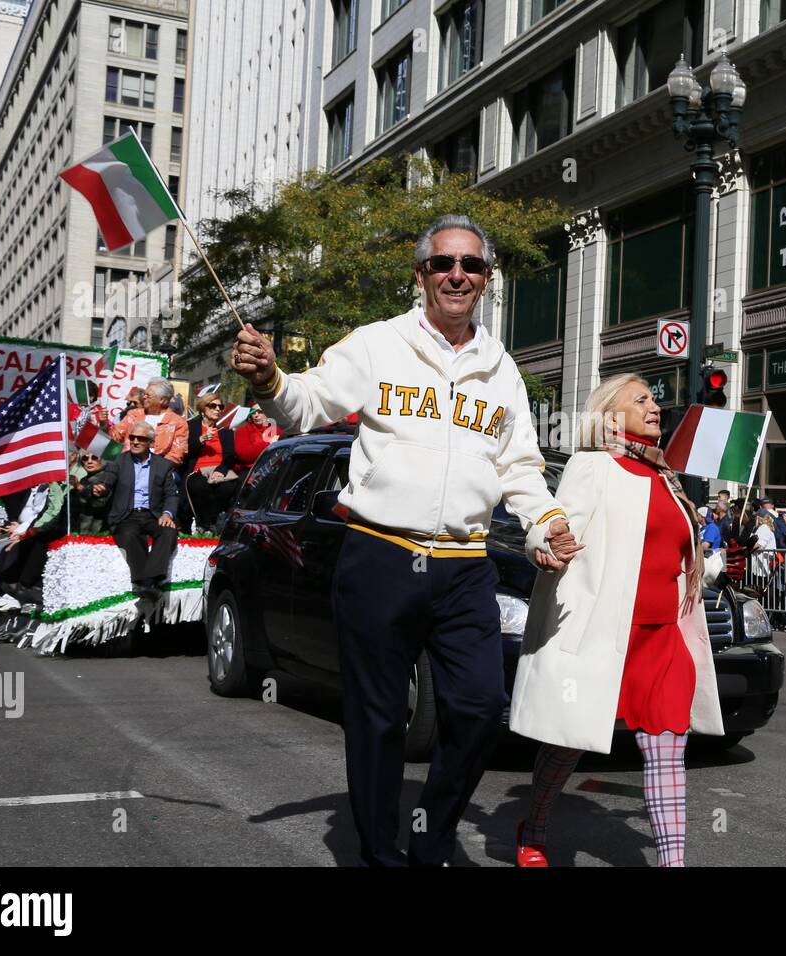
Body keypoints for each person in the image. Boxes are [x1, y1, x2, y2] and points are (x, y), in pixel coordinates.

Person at [230, 213, 579, 867]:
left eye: (470, 266)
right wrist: (268, 378)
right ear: (420, 274)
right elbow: (306, 404)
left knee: (480, 708)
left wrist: (545, 524)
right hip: (380, 556)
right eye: (444, 263)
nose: (457, 274)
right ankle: (378, 857)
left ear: (485, 280)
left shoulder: (501, 370)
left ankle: (433, 833)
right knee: (379, 718)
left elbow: (522, 470)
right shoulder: (378, 345)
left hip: (463, 563)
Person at [509, 374, 724, 868]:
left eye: (654, 399)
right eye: (641, 399)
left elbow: (675, 558)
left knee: (668, 748)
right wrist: (544, 547)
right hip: (607, 633)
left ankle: (672, 863)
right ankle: (535, 825)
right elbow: (557, 525)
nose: (655, 406)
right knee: (568, 745)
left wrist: (710, 566)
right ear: (610, 414)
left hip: (663, 638)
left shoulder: (667, 478)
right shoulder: (593, 466)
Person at [100, 421, 180, 601]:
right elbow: (108, 480)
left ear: (151, 443)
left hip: (153, 515)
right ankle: (148, 583)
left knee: (168, 531)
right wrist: (102, 488)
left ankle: (147, 581)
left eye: (141, 439)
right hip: (127, 515)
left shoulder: (163, 465)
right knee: (128, 535)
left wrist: (167, 514)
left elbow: (171, 495)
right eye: (132, 437)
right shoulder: (119, 460)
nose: (135, 442)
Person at [0, 482, 68, 609]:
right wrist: (10, 523)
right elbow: (19, 510)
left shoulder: (56, 488)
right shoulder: (32, 487)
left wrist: (24, 530)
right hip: (19, 528)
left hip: (32, 530)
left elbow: (48, 516)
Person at [182, 393, 241, 532]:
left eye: (220, 406)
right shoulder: (190, 426)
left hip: (220, 469)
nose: (217, 409)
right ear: (203, 408)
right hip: (197, 470)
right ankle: (206, 524)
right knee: (200, 486)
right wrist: (200, 440)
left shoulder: (225, 429)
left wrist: (220, 471)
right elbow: (184, 451)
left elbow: (230, 455)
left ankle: (209, 524)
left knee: (227, 488)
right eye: (213, 406)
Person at [111, 378, 189, 466]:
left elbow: (176, 455)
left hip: (159, 471)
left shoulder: (177, 422)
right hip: (128, 466)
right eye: (144, 394)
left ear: (162, 400)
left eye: (148, 395)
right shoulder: (133, 415)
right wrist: (103, 426)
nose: (144, 397)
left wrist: (152, 470)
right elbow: (114, 436)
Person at [70, 450, 112, 534]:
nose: (89, 461)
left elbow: (99, 503)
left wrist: (80, 488)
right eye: (85, 458)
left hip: (99, 533)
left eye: (94, 457)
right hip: (81, 532)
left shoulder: (108, 478)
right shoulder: (84, 480)